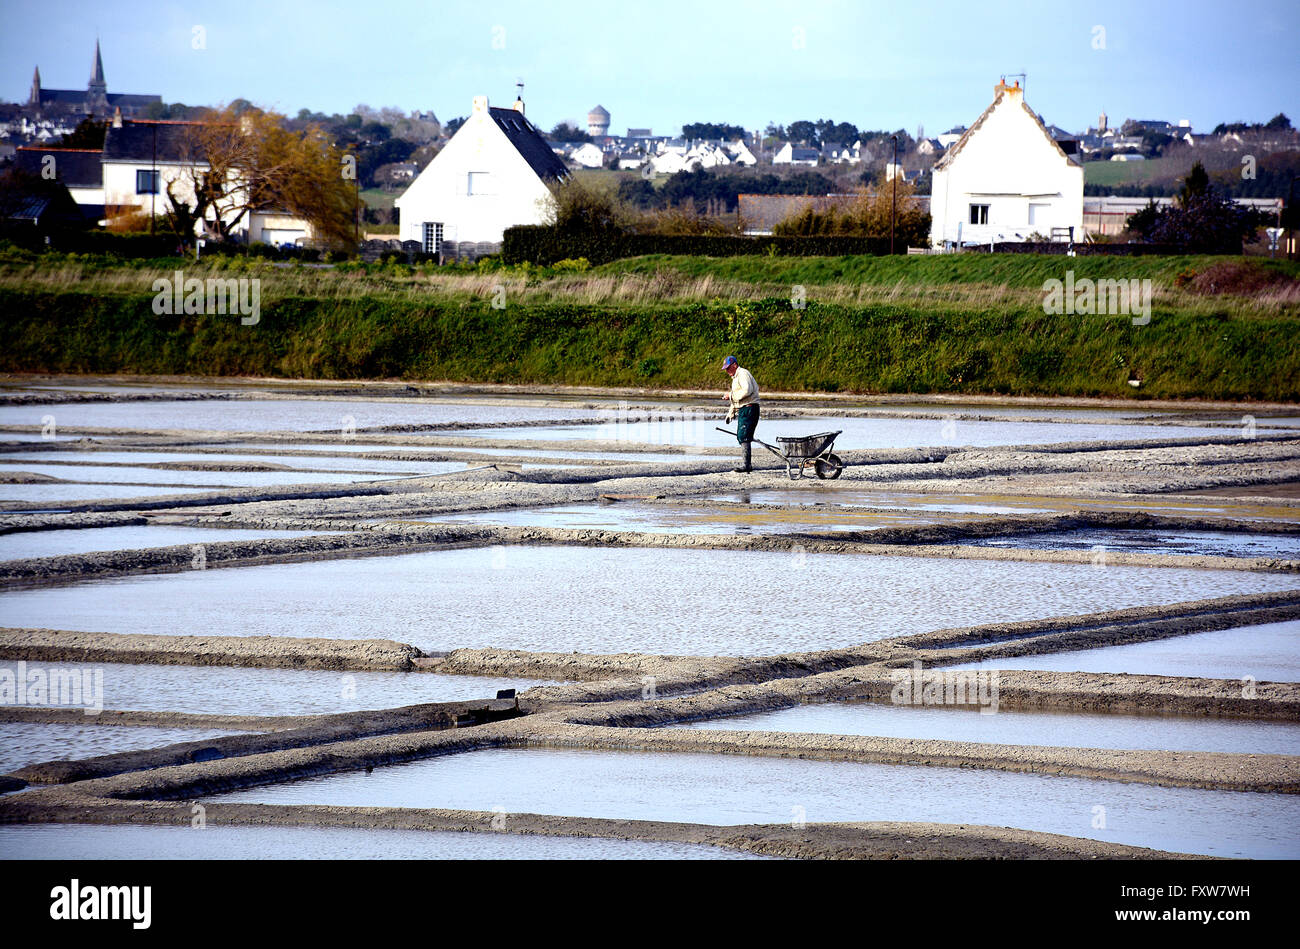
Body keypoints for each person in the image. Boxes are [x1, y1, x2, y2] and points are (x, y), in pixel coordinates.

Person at [722, 355, 760, 472]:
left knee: (744, 436)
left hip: (750, 408)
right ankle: (746, 464)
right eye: (726, 369)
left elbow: (747, 391)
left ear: (734, 365)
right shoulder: (735, 379)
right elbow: (736, 399)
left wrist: (730, 396)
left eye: (728, 368)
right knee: (742, 436)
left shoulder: (743, 374)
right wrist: (730, 414)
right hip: (745, 409)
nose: (727, 371)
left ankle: (747, 465)